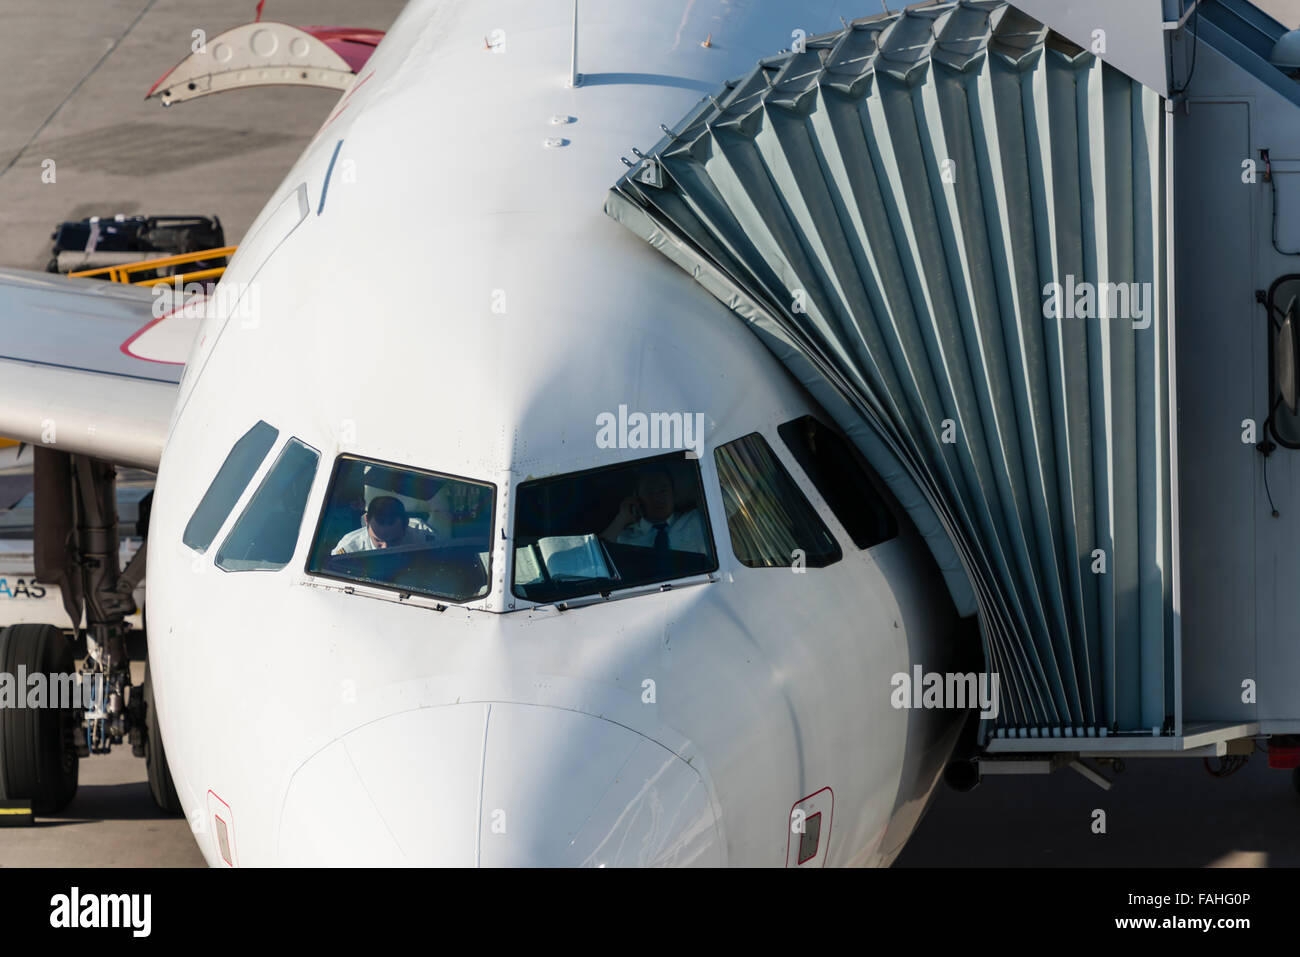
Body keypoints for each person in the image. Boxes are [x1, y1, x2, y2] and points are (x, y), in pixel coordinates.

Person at [599, 467, 708, 555]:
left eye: (663, 490)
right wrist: (621, 518)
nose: (657, 498)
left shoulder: (698, 520)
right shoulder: (624, 538)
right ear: (637, 498)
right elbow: (597, 556)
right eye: (649, 492)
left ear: (673, 494)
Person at [333, 495, 437, 554]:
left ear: (406, 523)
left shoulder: (424, 537)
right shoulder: (349, 550)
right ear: (366, 520)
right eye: (378, 540)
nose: (386, 548)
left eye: (394, 540)